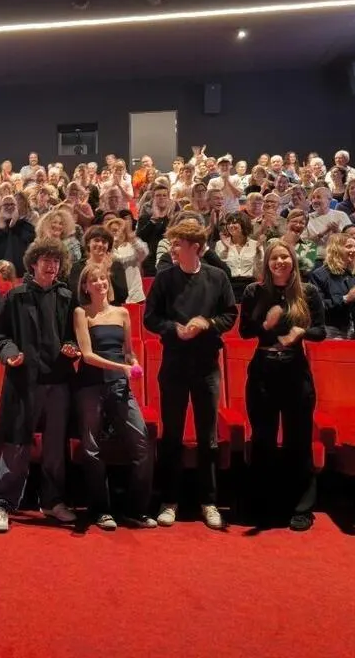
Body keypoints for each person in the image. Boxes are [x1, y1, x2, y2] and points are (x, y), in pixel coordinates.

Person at [143, 218, 237, 530]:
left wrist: (207, 324)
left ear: (194, 247)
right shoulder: (165, 278)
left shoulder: (217, 277)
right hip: (173, 365)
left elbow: (229, 315)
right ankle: (169, 500)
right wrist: (175, 329)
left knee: (208, 437)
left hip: (207, 366)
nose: (172, 248)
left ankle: (208, 501)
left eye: (178, 244)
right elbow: (150, 318)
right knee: (171, 436)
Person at [0, 239, 79, 533]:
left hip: (58, 381)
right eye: (46, 261)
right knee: (17, 445)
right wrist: (10, 352)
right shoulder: (16, 296)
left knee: (55, 447)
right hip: (24, 380)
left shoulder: (66, 295)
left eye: (56, 261)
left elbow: (73, 335)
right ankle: (2, 503)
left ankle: (52, 501)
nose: (52, 266)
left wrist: (71, 347)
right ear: (33, 264)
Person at [239, 239, 326, 530]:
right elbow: (244, 331)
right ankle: (264, 505)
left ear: (293, 262)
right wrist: (264, 325)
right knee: (263, 439)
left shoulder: (308, 291)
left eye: (285, 258)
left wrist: (299, 331)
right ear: (267, 263)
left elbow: (320, 331)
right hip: (264, 368)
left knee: (297, 440)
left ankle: (301, 508)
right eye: (275, 258)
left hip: (294, 370)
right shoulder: (255, 291)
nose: (280, 263)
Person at [73, 263, 155, 530]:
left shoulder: (122, 312)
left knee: (142, 443)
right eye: (93, 280)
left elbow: (128, 351)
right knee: (91, 447)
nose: (99, 283)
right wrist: (123, 366)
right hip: (90, 385)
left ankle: (135, 510)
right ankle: (101, 511)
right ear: (85, 287)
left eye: (102, 278)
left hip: (119, 386)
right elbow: (87, 355)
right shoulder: (81, 312)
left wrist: (134, 362)